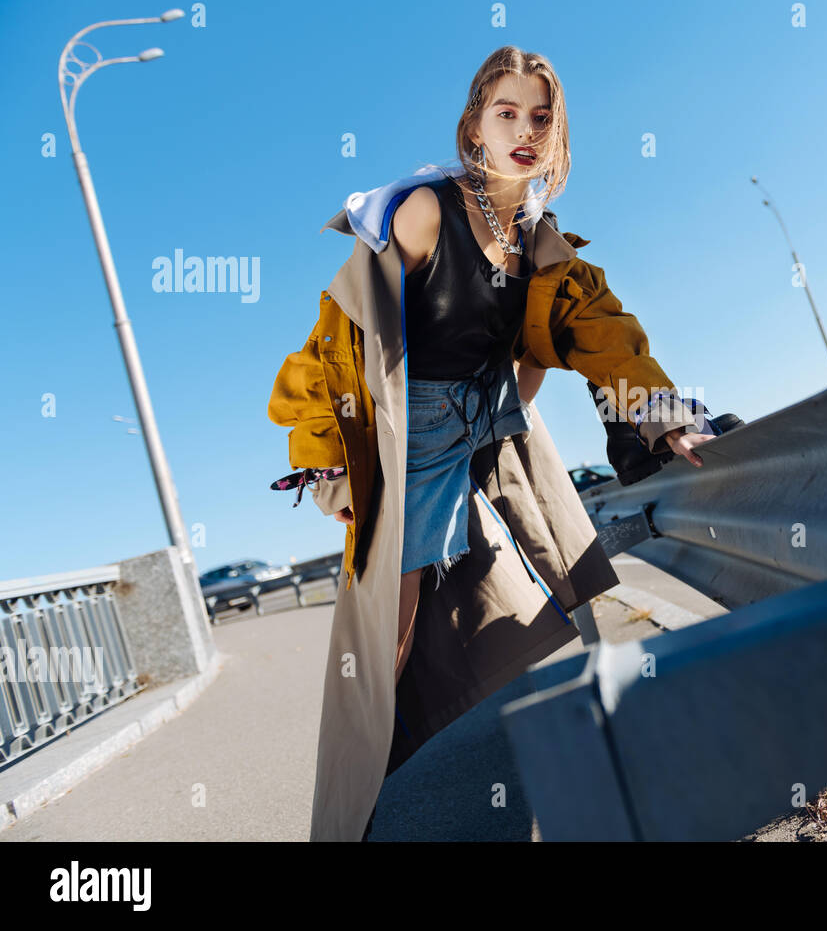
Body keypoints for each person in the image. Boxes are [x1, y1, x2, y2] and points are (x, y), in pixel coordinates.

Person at [267, 46, 721, 841]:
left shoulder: (542, 241)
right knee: (391, 639)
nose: (524, 129)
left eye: (541, 117)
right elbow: (337, 332)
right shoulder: (426, 213)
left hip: (498, 430)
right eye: (505, 112)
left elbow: (597, 332)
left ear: (557, 132)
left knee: (557, 578)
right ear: (474, 126)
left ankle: (589, 768)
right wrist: (323, 449)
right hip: (416, 444)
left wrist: (661, 409)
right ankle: (360, 815)